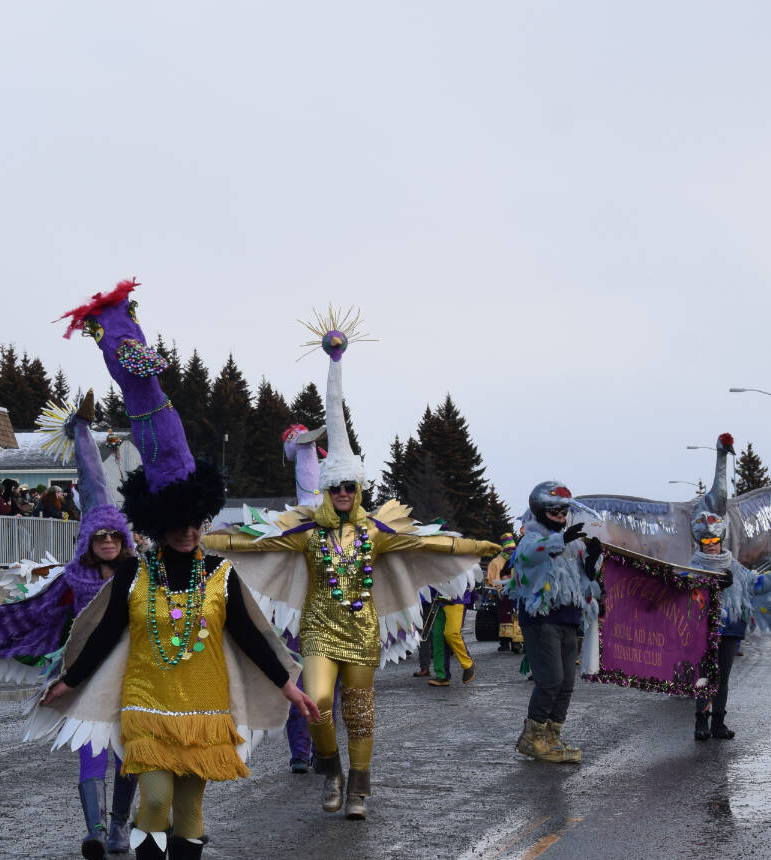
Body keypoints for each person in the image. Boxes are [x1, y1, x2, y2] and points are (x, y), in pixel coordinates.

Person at [40, 278, 317, 860]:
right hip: (146, 701)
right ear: (161, 522)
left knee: (190, 811)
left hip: (203, 705)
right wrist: (69, 681)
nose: (190, 530)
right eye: (180, 522)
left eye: (196, 521)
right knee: (155, 799)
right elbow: (106, 630)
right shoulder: (136, 573)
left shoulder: (220, 575)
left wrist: (291, 687)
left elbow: (252, 636)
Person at [206, 310, 496, 817]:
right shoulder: (308, 532)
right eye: (335, 486)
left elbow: (429, 545)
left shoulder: (375, 532)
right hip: (319, 628)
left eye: (349, 486)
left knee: (360, 711)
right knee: (316, 702)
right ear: (327, 488)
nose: (342, 493)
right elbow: (257, 543)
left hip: (361, 630)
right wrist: (202, 539)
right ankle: (331, 771)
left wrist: (478, 548)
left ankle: (359, 786)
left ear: (358, 488)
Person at [0, 396, 142, 860]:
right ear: (89, 542)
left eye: (115, 536)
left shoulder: (143, 578)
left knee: (131, 752)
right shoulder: (73, 580)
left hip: (138, 675)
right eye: (101, 537)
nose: (109, 543)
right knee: (93, 747)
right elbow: (29, 613)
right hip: (87, 674)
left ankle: (119, 825)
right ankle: (95, 832)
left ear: (125, 539)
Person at [508, 482, 603, 763]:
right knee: (550, 680)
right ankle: (531, 738)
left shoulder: (573, 542)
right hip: (540, 617)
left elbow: (583, 582)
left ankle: (551, 737)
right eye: (555, 510)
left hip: (568, 618)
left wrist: (591, 564)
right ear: (540, 510)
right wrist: (559, 542)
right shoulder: (532, 537)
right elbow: (526, 556)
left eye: (564, 510)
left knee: (566, 684)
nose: (561, 515)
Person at [687, 509, 771, 741]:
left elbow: (759, 584)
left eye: (715, 540)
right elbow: (681, 592)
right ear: (700, 543)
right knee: (705, 676)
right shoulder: (693, 568)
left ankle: (719, 723)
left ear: (720, 540)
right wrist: (710, 584)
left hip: (731, 629)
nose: (711, 545)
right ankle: (701, 722)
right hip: (704, 630)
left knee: (722, 678)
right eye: (706, 541)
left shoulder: (735, 567)